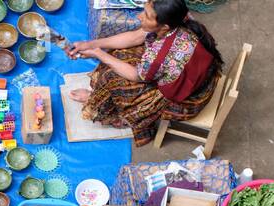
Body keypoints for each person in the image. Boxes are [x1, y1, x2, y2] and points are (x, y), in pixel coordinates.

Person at [66, 0, 223, 147]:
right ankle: (101, 95)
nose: (139, 16)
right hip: (193, 74)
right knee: (115, 57)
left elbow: (136, 75)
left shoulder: (159, 56)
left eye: (147, 16)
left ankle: (108, 108)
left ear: (164, 27)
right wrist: (91, 44)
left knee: (111, 77)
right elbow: (135, 37)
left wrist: (99, 54)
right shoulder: (178, 20)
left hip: (186, 97)